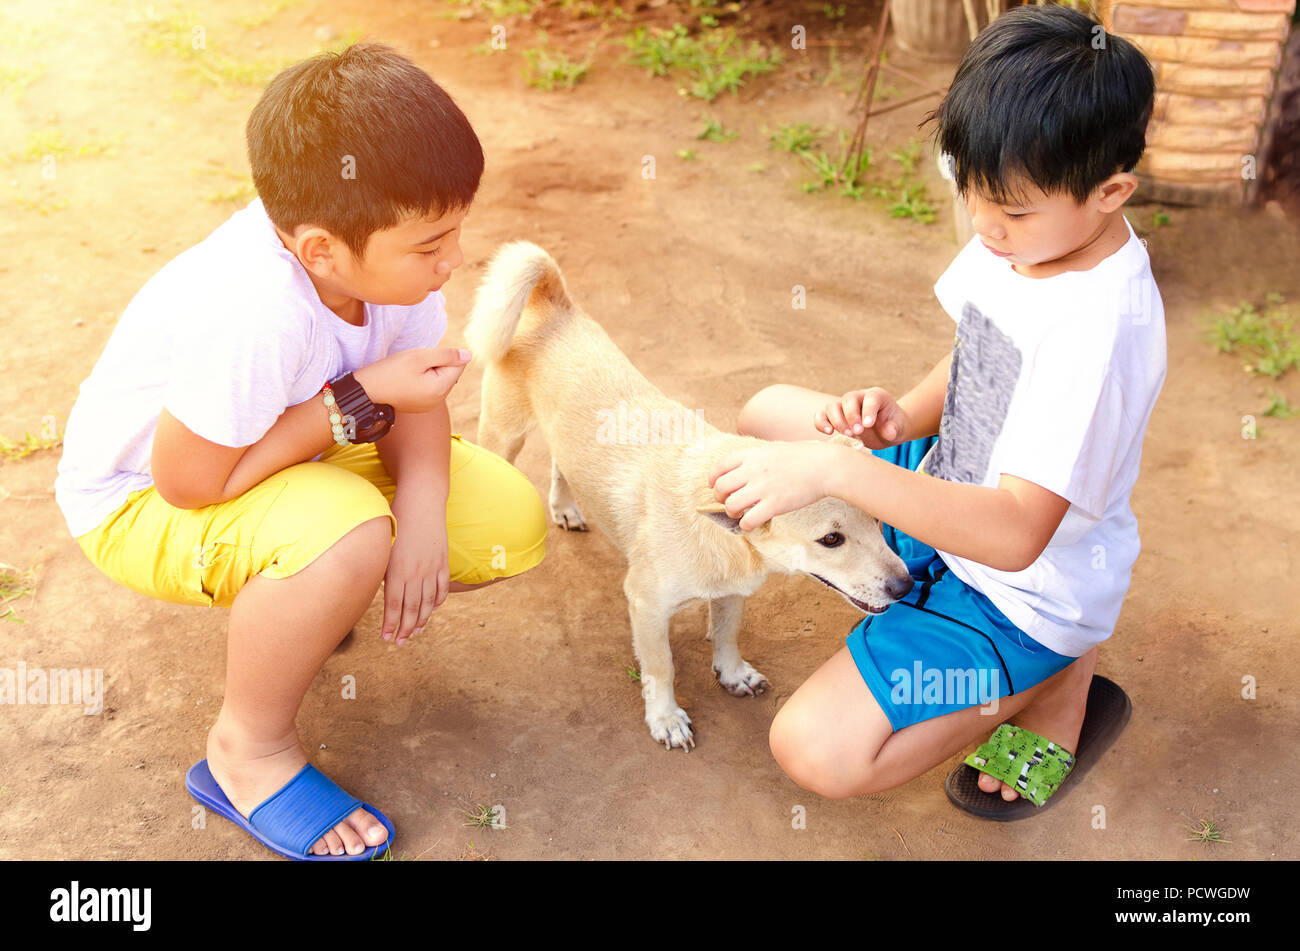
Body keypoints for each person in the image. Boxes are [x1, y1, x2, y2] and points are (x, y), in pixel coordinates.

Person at [53, 43, 548, 858]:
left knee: (505, 520)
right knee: (348, 533)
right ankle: (246, 750)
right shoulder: (254, 309)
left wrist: (422, 510)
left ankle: (304, 596)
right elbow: (189, 482)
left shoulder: (385, 260)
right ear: (320, 249)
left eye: (455, 232)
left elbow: (415, 389)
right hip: (146, 496)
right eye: (431, 245)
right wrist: (360, 397)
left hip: (282, 448)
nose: (452, 261)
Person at [709, 5, 1164, 816]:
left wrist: (840, 466)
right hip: (943, 486)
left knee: (814, 749)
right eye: (974, 193)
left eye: (1012, 210)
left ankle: (1051, 680)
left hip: (1021, 584)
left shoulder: (1096, 335)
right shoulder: (1026, 238)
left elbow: (1019, 533)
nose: (984, 227)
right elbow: (978, 352)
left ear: (1112, 191)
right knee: (764, 412)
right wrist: (902, 417)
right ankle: (967, 630)